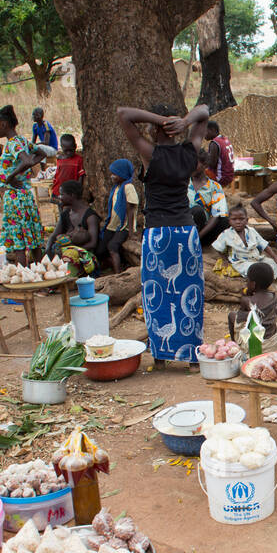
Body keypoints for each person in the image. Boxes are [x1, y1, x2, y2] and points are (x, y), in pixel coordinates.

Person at [116, 101, 210, 365]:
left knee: (157, 294)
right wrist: (184, 120)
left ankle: (160, 357)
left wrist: (161, 120)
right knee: (189, 291)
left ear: (156, 129)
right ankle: (192, 357)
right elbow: (204, 111)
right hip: (186, 233)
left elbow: (124, 112)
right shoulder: (189, 151)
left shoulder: (150, 153)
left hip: (158, 234)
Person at [0, 105, 47, 265]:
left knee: (19, 243)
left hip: (15, 198)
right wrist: (22, 170)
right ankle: (41, 274)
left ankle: (25, 275)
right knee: (33, 237)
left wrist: (10, 177)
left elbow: (27, 160)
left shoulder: (12, 144)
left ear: (3, 124)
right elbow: (41, 154)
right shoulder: (22, 140)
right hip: (25, 196)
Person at [212, 202, 277, 281]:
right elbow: (218, 248)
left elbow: (264, 245)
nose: (238, 222)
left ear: (247, 220)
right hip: (241, 263)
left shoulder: (251, 231)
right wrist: (225, 260)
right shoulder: (226, 234)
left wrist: (274, 257)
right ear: (229, 221)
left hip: (257, 259)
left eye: (241, 219)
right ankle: (257, 289)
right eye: (234, 219)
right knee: (257, 271)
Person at [228, 262, 277, 352]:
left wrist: (246, 296)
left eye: (247, 280)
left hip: (255, 346)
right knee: (276, 315)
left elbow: (240, 319)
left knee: (232, 315)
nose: (246, 283)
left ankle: (236, 346)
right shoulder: (273, 297)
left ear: (253, 284)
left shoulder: (247, 301)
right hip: (272, 343)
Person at [45, 180, 99, 276]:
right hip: (66, 251)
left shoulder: (90, 216)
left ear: (72, 195)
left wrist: (73, 250)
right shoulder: (66, 214)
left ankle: (68, 278)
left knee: (69, 256)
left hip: (84, 254)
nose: (59, 197)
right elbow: (54, 236)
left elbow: (93, 243)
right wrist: (48, 248)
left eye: (62, 194)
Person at [100, 159, 139, 275]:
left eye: (115, 174)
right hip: (113, 225)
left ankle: (118, 274)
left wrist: (131, 232)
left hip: (124, 226)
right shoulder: (116, 187)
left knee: (112, 246)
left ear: (123, 174)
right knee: (100, 248)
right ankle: (109, 267)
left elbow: (130, 209)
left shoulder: (128, 187)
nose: (112, 177)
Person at [189, 148, 230, 245]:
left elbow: (216, 215)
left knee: (224, 219)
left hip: (203, 232)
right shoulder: (182, 183)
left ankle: (197, 242)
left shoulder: (215, 187)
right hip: (185, 228)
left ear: (205, 165)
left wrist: (198, 237)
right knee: (196, 211)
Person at [50, 133, 85, 199]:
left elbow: (81, 176)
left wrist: (78, 190)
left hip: (71, 191)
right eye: (66, 151)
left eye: (71, 150)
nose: (69, 153)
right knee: (61, 206)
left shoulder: (78, 160)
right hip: (58, 189)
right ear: (62, 148)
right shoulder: (60, 159)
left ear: (75, 146)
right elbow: (58, 174)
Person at [203, 120, 234, 186]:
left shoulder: (214, 143)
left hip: (221, 177)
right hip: (230, 175)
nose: (203, 134)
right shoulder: (225, 139)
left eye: (205, 131)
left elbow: (212, 164)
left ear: (212, 130)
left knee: (198, 171)